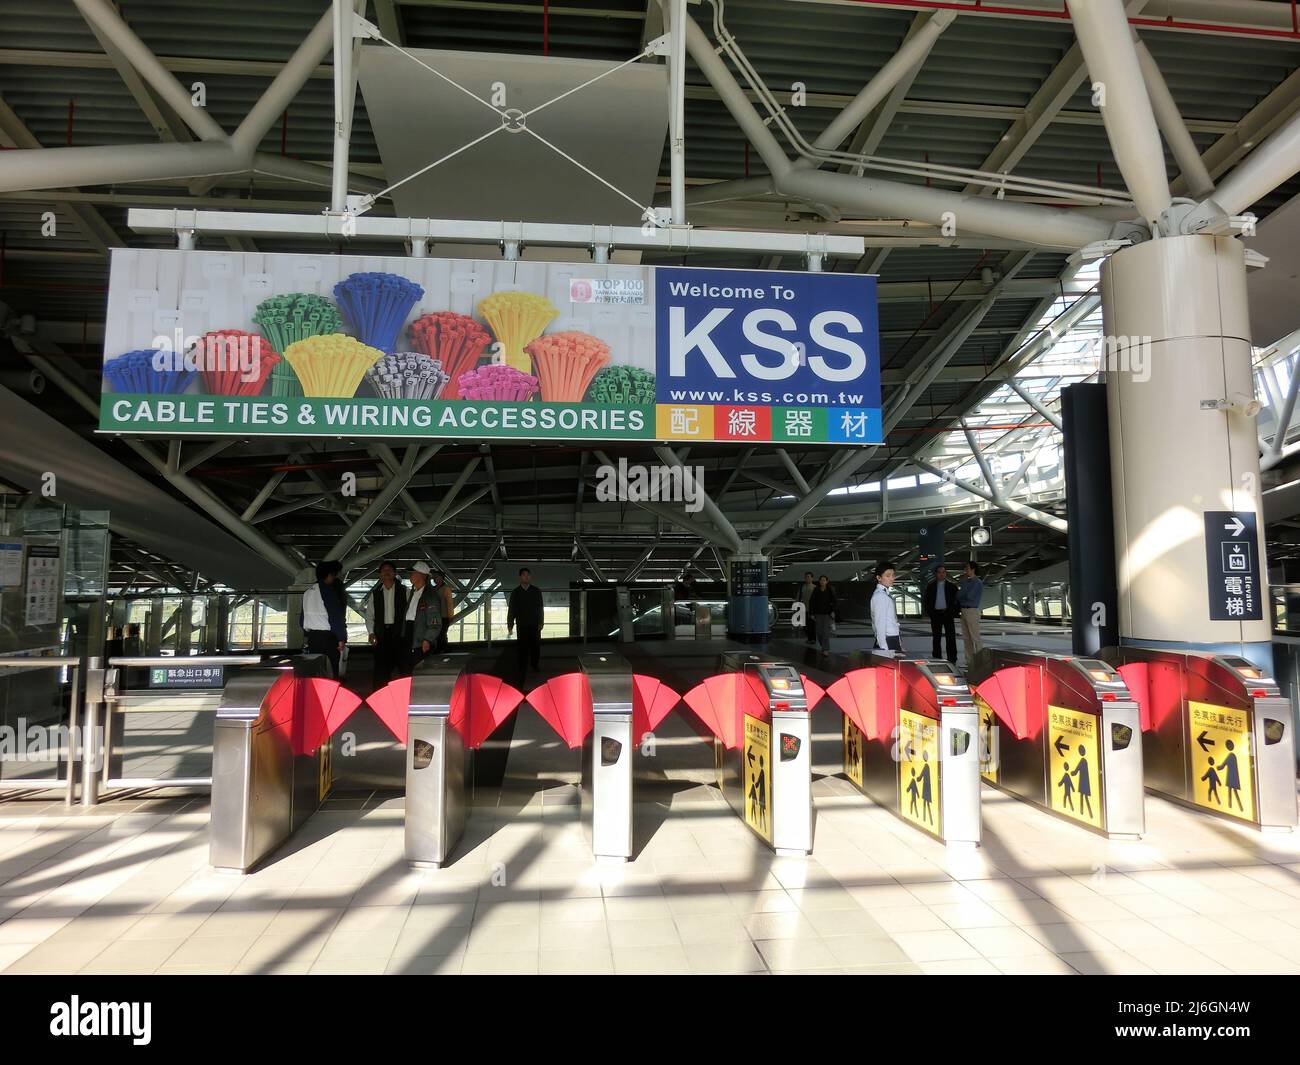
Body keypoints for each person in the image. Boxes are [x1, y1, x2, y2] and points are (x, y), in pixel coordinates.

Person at [364, 560, 408, 690]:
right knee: (381, 668)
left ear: (395, 573)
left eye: (390, 570)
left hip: (399, 633)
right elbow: (369, 616)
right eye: (384, 570)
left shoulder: (405, 591)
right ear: (380, 575)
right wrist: (371, 632)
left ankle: (405, 696)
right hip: (381, 634)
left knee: (403, 667)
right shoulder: (375, 594)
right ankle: (379, 698)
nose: (387, 572)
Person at [301, 559, 348, 678]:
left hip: (313, 638)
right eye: (334, 574)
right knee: (331, 671)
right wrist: (341, 638)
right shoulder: (328, 592)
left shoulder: (307, 592)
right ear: (329, 574)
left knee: (316, 670)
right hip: (328, 639)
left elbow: (302, 619)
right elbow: (335, 617)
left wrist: (307, 635)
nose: (334, 578)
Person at [507, 567, 544, 683]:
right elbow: (512, 609)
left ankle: (534, 664)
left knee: (535, 646)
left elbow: (540, 608)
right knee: (522, 647)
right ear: (520, 577)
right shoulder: (515, 592)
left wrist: (541, 622)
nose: (526, 577)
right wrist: (510, 623)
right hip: (521, 624)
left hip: (534, 624)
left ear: (530, 577)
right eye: (524, 575)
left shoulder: (536, 591)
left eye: (528, 575)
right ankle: (522, 666)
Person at [404, 561, 441, 671]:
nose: (411, 575)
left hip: (421, 639)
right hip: (410, 633)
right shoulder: (413, 592)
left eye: (413, 573)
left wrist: (427, 639)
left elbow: (435, 622)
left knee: (419, 669)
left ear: (422, 575)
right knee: (409, 668)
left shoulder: (430, 596)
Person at [923, 564, 959, 663]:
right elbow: (926, 601)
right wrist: (930, 613)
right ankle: (937, 658)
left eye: (943, 572)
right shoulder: (930, 587)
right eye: (939, 572)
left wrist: (954, 612)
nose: (942, 574)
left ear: (946, 574)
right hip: (936, 615)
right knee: (936, 637)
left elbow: (957, 601)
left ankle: (952, 659)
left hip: (948, 614)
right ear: (936, 574)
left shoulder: (952, 587)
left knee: (950, 637)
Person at [871, 561, 902, 654]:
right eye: (888, 576)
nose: (892, 578)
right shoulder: (880, 596)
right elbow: (879, 624)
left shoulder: (884, 594)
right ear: (878, 578)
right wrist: (884, 649)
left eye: (893, 575)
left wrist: (900, 643)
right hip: (888, 640)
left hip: (892, 639)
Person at [958, 561, 984, 665]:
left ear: (973, 569)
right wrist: (962, 594)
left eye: (967, 568)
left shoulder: (977, 582)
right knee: (966, 637)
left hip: (972, 610)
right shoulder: (965, 582)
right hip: (964, 610)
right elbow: (958, 596)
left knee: (975, 637)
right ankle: (969, 660)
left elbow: (969, 596)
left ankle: (980, 659)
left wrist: (962, 594)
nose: (965, 570)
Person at [809, 574, 837, 655]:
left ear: (827, 581)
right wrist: (812, 613)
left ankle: (825, 649)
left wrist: (833, 611)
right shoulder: (816, 590)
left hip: (827, 614)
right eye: (821, 580)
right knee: (819, 633)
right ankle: (823, 646)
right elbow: (812, 602)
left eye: (824, 580)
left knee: (825, 632)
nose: (822, 581)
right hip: (818, 614)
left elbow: (835, 601)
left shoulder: (830, 590)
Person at [433, 570, 453, 652]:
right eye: (434, 577)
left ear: (442, 578)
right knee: (439, 633)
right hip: (435, 615)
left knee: (442, 633)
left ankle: (441, 649)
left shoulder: (446, 588)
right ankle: (444, 649)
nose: (434, 578)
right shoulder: (433, 589)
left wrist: (450, 615)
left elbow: (449, 602)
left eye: (436, 577)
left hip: (444, 615)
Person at [799, 571, 816, 644]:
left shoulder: (815, 587)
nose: (807, 578)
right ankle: (809, 638)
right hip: (804, 609)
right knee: (805, 626)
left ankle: (813, 639)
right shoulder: (802, 587)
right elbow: (798, 597)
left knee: (812, 625)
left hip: (812, 610)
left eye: (808, 577)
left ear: (812, 578)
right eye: (806, 577)